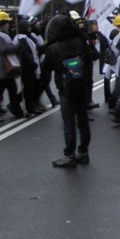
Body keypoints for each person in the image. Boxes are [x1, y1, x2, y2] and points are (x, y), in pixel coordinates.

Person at [44, 13, 94, 168]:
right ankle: (83, 151)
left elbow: (46, 68)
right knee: (83, 121)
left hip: (65, 89)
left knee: (69, 123)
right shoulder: (81, 42)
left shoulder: (53, 48)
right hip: (81, 87)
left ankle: (69, 155)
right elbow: (90, 61)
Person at [0, 11, 25, 122]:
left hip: (3, 67)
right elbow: (3, 49)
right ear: (3, 23)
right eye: (7, 22)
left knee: (11, 90)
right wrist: (17, 47)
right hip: (0, 67)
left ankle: (17, 111)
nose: (9, 24)